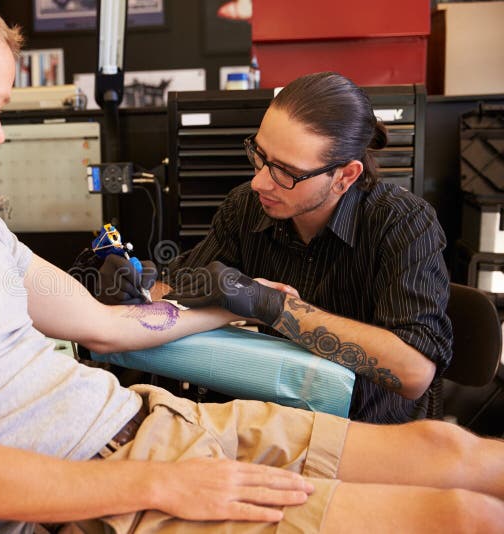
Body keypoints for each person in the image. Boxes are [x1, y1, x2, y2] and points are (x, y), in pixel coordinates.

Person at [0, 1, 504, 533]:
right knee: (461, 520)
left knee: (444, 447)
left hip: (147, 425)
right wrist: (168, 482)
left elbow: (105, 324)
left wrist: (232, 303)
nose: (0, 130)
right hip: (106, 489)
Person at [101, 72, 452, 425]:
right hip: (279, 422)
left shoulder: (403, 223)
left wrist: (275, 306)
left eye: (286, 172)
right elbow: (181, 289)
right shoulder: (247, 208)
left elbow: (414, 373)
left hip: (366, 433)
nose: (259, 181)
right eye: (259, 155)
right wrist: (138, 290)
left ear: (345, 176)